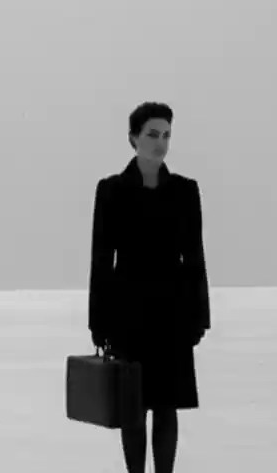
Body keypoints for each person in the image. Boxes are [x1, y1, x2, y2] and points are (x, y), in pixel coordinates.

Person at [88, 102, 210, 473]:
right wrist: (99, 322)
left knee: (168, 405)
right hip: (128, 312)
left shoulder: (185, 191)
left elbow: (195, 258)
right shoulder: (111, 190)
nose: (161, 143)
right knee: (133, 405)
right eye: (152, 135)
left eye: (167, 135)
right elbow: (100, 260)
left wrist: (199, 316)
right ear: (133, 139)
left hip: (173, 312)